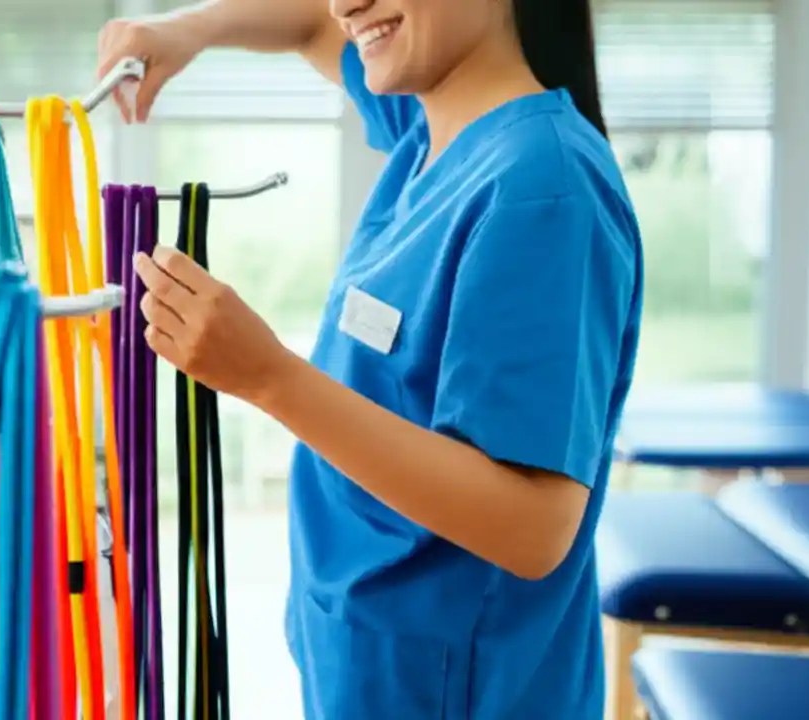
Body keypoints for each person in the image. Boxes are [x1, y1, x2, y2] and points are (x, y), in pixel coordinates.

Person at [100, 0, 643, 718]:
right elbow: (311, 26)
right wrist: (185, 30)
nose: (345, 3)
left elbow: (533, 526)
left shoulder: (541, 190)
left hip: (457, 693)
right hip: (367, 671)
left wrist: (268, 376)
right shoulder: (435, 126)